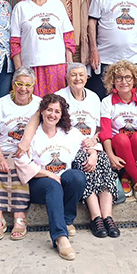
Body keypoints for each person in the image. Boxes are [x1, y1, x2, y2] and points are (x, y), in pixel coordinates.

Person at [22, 94, 90, 260]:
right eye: (49, 110)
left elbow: (91, 143)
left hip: (62, 181)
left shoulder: (70, 133)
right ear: (42, 112)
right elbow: (22, 162)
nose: (52, 114)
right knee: (52, 184)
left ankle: (67, 220)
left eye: (57, 111)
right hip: (40, 184)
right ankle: (60, 237)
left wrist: (93, 152)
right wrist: (47, 173)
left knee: (77, 177)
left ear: (62, 114)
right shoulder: (33, 134)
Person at [58, 63, 119, 238]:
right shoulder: (60, 97)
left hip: (92, 143)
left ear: (87, 78)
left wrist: (95, 140)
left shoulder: (93, 97)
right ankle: (95, 217)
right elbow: (58, 127)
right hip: (70, 145)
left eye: (81, 75)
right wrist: (90, 150)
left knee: (104, 161)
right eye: (73, 75)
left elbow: (100, 128)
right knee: (85, 162)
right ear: (67, 78)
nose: (77, 79)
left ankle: (108, 216)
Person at [0, 68, 40, 242]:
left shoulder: (39, 103)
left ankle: (19, 216)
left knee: (20, 164)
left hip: (28, 151)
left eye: (28, 85)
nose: (23, 89)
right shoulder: (2, 103)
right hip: (3, 149)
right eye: (19, 84)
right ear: (13, 85)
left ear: (33, 86)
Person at [11, 0, 74, 97]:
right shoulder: (20, 7)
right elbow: (15, 42)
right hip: (31, 67)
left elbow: (68, 37)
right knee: (33, 105)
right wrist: (20, 71)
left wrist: (69, 65)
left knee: (56, 106)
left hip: (57, 66)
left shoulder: (57, 5)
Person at [99, 60, 137, 200]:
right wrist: (110, 156)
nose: (124, 81)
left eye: (128, 77)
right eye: (119, 78)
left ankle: (126, 178)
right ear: (113, 81)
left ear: (134, 80)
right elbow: (105, 133)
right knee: (121, 138)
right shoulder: (106, 102)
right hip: (118, 149)